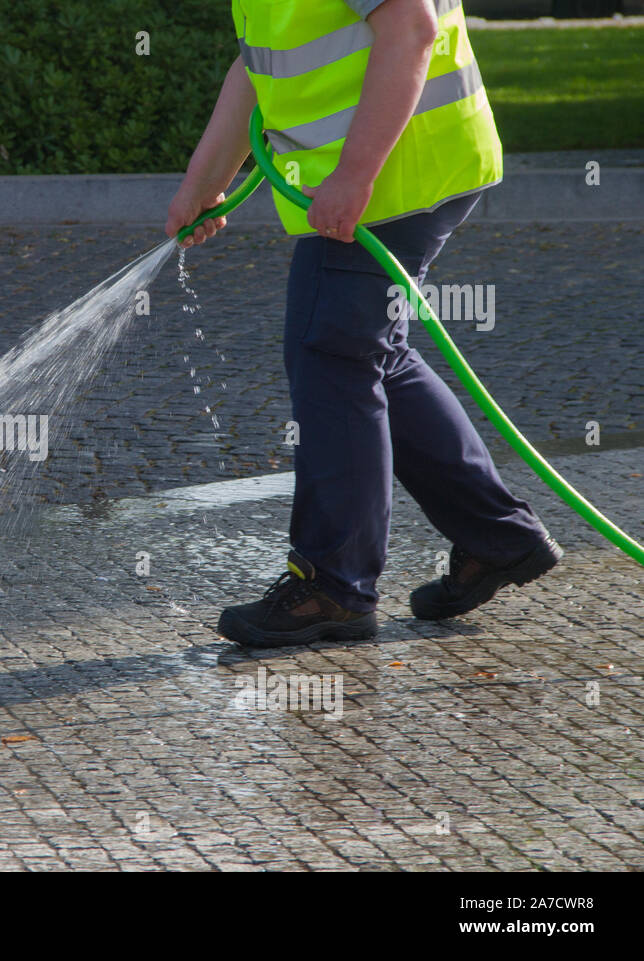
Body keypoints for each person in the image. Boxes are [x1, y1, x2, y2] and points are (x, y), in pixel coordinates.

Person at [165, 0, 561, 649]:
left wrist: (354, 176)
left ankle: (336, 587)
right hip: (401, 170)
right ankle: (499, 537)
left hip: (397, 174)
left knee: (332, 346)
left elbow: (410, 29)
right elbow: (256, 68)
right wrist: (201, 185)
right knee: (364, 349)